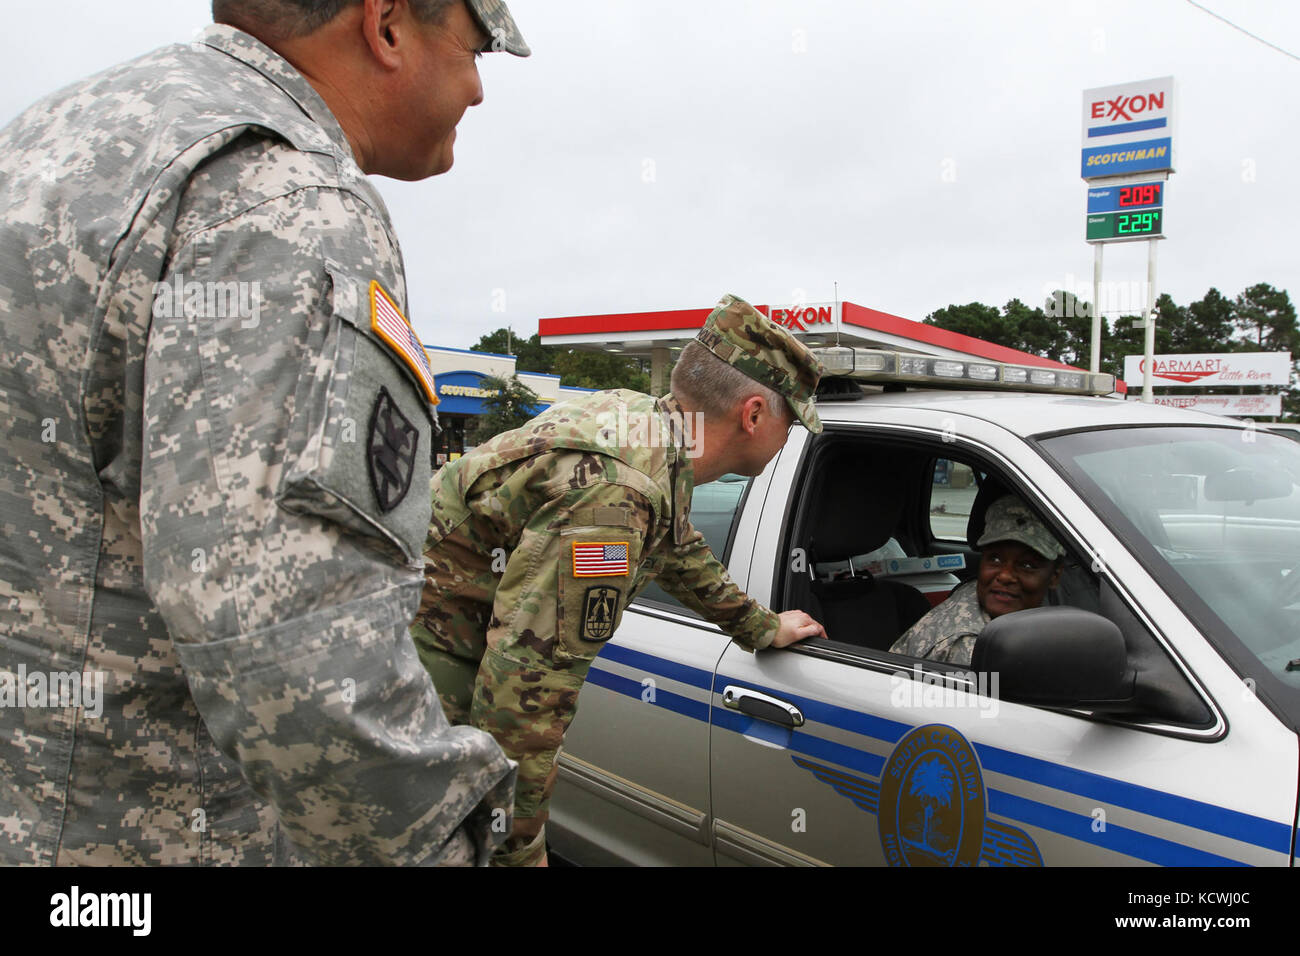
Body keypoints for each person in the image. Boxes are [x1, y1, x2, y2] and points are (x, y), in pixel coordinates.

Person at [0, 0, 531, 866]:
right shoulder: (287, 200)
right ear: (388, 25)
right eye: (476, 51)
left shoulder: (52, 136)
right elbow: (296, 653)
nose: (475, 89)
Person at [412, 293, 829, 866]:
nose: (789, 442)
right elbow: (527, 693)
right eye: (790, 423)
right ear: (753, 415)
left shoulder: (649, 425)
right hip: (427, 647)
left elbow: (678, 547)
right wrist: (518, 852)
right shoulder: (615, 495)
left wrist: (759, 625)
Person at [890, 495, 1064, 666]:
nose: (1005, 576)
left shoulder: (983, 594)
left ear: (1055, 576)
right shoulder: (971, 650)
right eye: (995, 559)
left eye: (1027, 565)